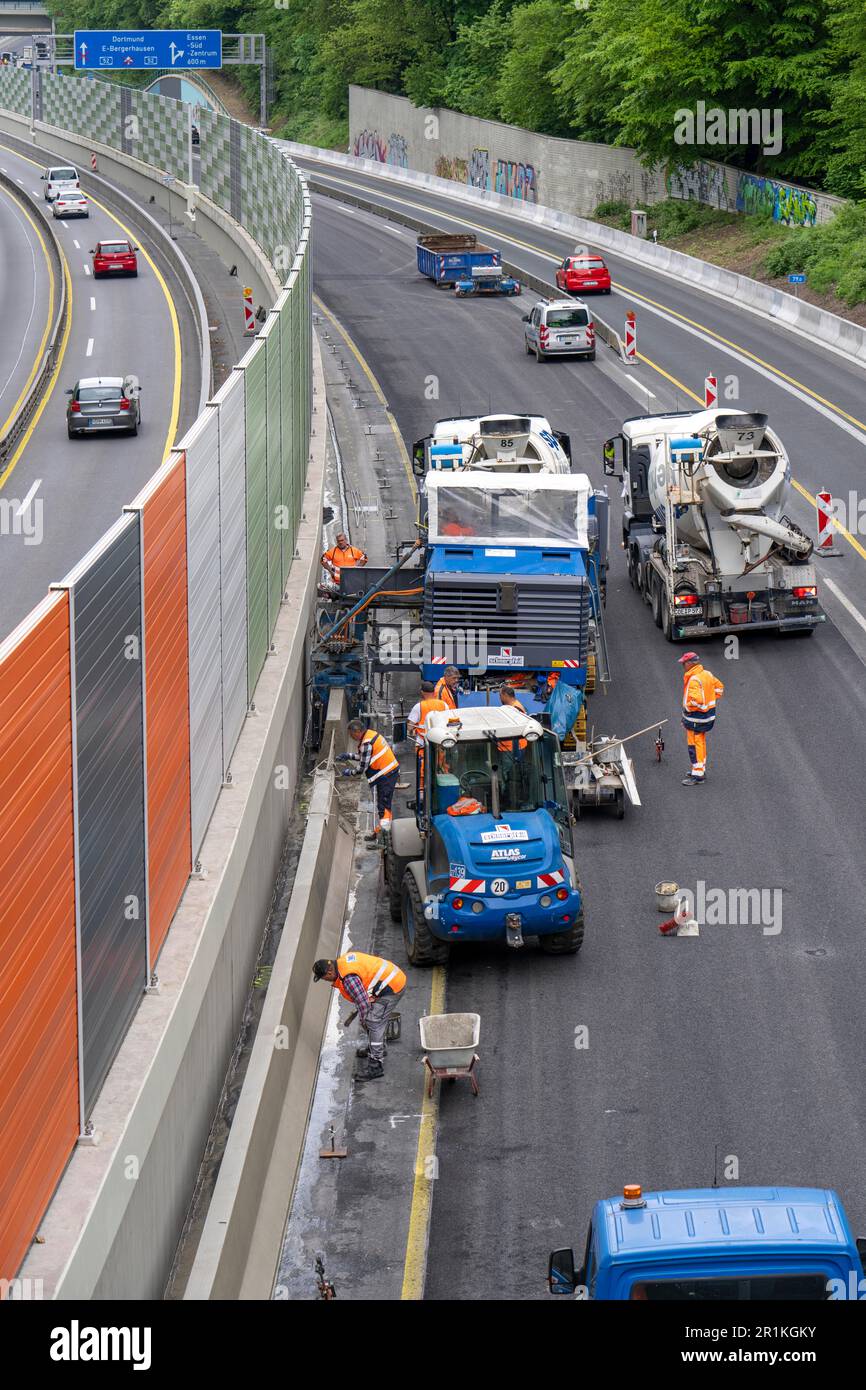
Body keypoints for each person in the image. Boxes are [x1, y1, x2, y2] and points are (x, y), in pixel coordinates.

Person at [313, 953, 406, 1082]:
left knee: (373, 1022)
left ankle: (375, 1066)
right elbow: (362, 994)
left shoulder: (348, 978)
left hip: (392, 987)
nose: (326, 981)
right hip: (389, 980)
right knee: (369, 1020)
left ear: (329, 973)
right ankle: (377, 1048)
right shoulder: (342, 964)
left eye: (323, 978)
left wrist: (364, 1020)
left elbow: (363, 1002)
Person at [341, 718, 400, 841]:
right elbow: (363, 757)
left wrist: (349, 772)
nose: (351, 737)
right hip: (388, 772)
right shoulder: (370, 735)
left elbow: (362, 767)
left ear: (357, 731)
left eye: (351, 734)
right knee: (384, 805)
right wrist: (348, 756)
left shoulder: (366, 743)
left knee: (383, 806)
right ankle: (382, 831)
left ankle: (384, 837)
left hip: (386, 775)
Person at [679, 652, 724, 785]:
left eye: (684, 663)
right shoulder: (707, 674)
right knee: (701, 742)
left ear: (690, 664)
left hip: (696, 719)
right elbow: (719, 688)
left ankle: (698, 776)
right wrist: (709, 700)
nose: (682, 665)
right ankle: (699, 769)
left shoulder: (693, 679)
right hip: (707, 717)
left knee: (693, 745)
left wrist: (690, 710)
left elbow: (695, 701)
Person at [407, 680, 448, 790]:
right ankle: (442, 788)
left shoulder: (419, 706)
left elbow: (410, 726)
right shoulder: (443, 704)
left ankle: (422, 790)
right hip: (441, 742)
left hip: (423, 743)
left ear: (422, 692)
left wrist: (411, 731)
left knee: (423, 769)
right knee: (441, 765)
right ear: (434, 692)